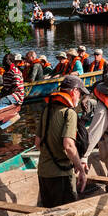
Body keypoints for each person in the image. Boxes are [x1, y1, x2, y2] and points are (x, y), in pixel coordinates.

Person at [35, 74, 89, 206]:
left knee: (48, 210)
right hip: (61, 175)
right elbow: (69, 146)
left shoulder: (46, 110)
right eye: (80, 93)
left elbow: (37, 143)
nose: (80, 97)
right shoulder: (69, 113)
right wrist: (80, 170)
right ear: (74, 91)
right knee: (66, 213)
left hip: (43, 173)